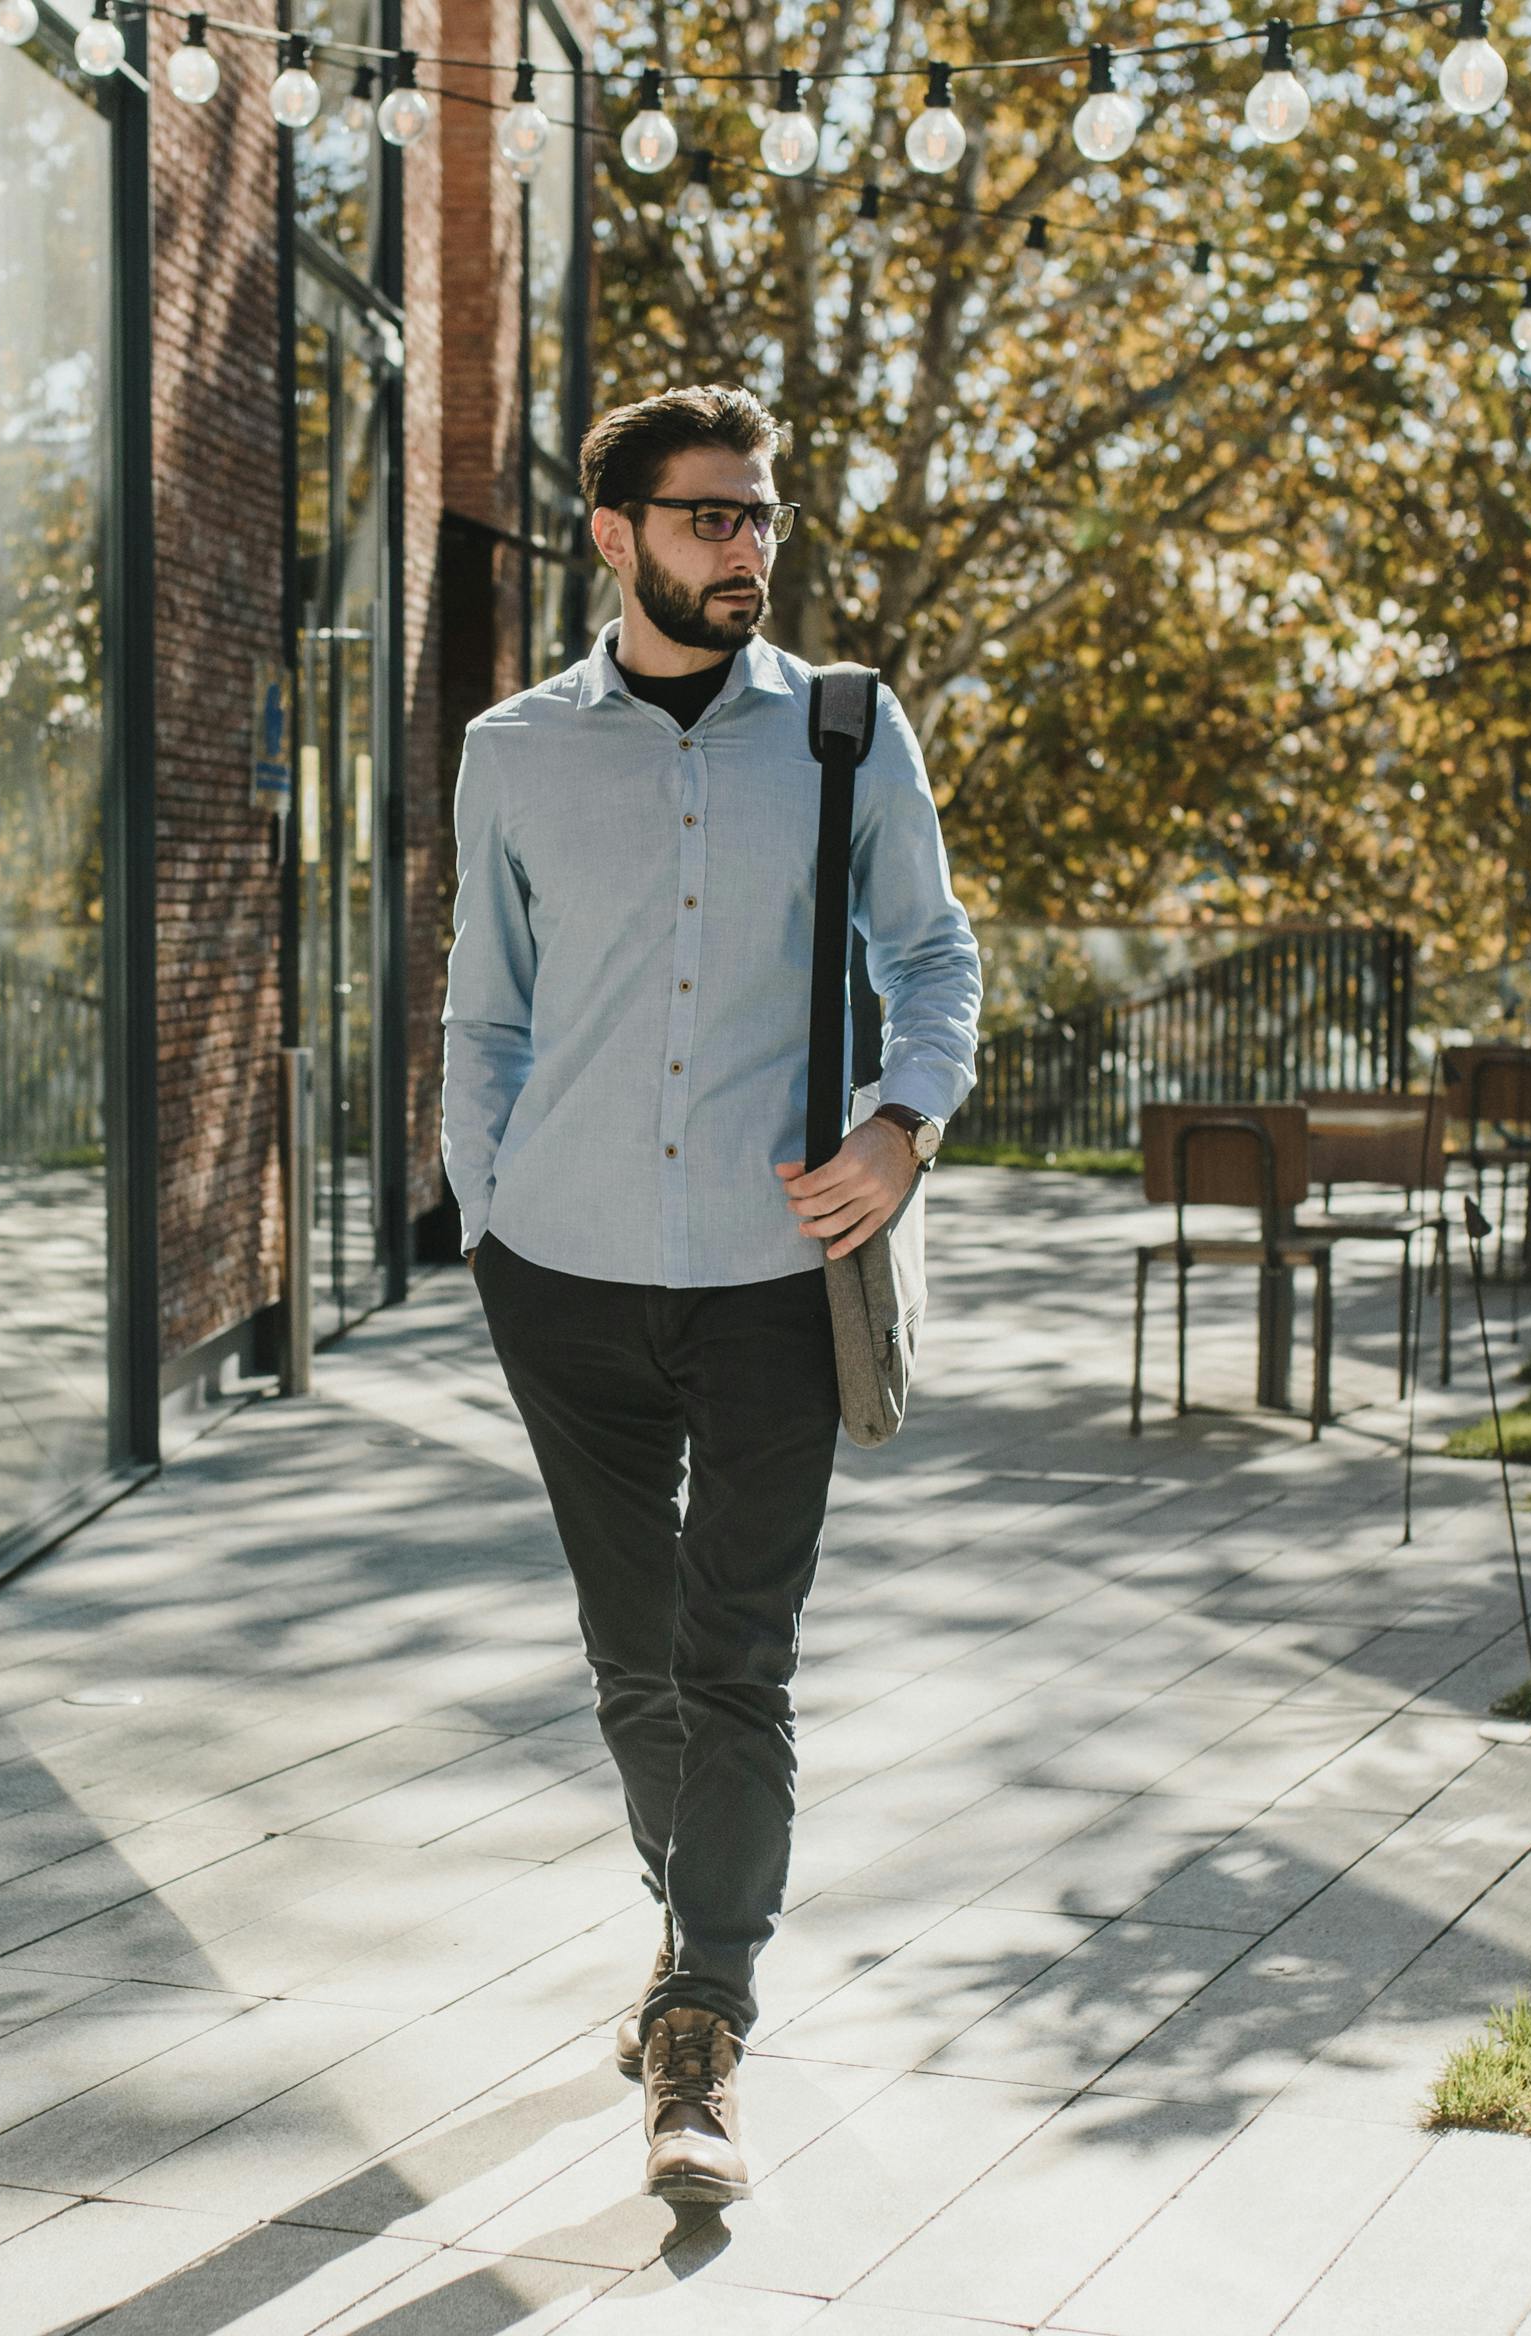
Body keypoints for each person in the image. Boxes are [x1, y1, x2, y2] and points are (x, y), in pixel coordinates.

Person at [441, 384, 981, 2205]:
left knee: (733, 1663)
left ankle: (700, 2029)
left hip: (776, 1278)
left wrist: (905, 1127)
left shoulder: (846, 732)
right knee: (632, 1666)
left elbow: (933, 955)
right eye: (707, 518)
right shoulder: (514, 749)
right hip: (565, 1272)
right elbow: (487, 1005)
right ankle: (700, 1955)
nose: (746, 546)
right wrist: (484, 1205)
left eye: (762, 516)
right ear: (615, 537)